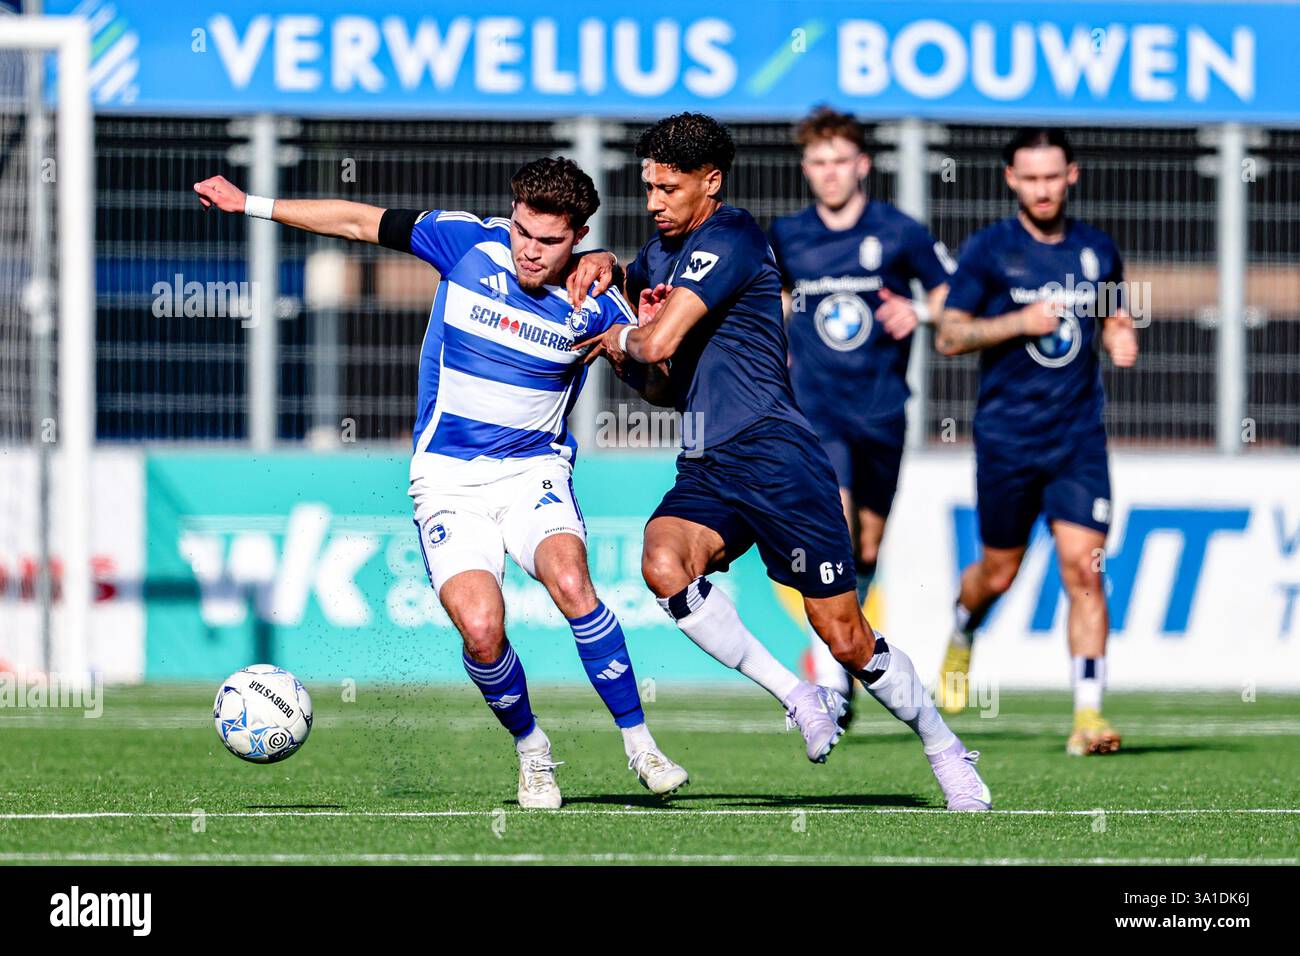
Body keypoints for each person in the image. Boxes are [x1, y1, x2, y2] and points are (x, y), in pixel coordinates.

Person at [193, 157, 688, 808]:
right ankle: (532, 750)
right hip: (447, 479)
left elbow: (659, 392)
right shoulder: (465, 243)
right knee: (482, 630)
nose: (529, 251)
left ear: (578, 238)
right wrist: (250, 203)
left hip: (532, 471)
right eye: (522, 232)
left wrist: (647, 349)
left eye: (548, 241)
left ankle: (640, 744)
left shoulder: (597, 302)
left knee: (572, 583)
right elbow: (356, 220)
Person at [580, 112, 990, 810]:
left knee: (847, 635)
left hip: (780, 461)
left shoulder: (732, 235)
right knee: (662, 561)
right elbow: (653, 378)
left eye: (669, 189)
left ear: (710, 183)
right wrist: (606, 267)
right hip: (709, 464)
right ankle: (799, 694)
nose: (654, 202)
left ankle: (945, 748)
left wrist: (615, 333)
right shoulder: (659, 254)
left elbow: (651, 346)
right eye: (647, 187)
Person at [933, 128, 1139, 756]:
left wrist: (1119, 337)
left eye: (1054, 177)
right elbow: (949, 334)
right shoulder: (991, 251)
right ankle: (964, 628)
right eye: (1031, 178)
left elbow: (1112, 315)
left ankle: (1088, 716)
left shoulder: (1097, 249)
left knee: (1086, 569)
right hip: (1007, 440)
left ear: (1071, 176)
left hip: (1077, 440)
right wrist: (1019, 322)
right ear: (1012, 181)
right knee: (998, 573)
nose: (1043, 189)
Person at [769, 106, 953, 722]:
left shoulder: (900, 232)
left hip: (882, 412)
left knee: (868, 544)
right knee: (839, 530)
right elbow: (774, 306)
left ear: (862, 165)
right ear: (806, 168)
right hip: (816, 411)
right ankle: (832, 667)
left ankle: (847, 645)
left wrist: (920, 314)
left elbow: (953, 307)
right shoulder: (788, 236)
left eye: (839, 161)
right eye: (818, 163)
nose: (829, 173)